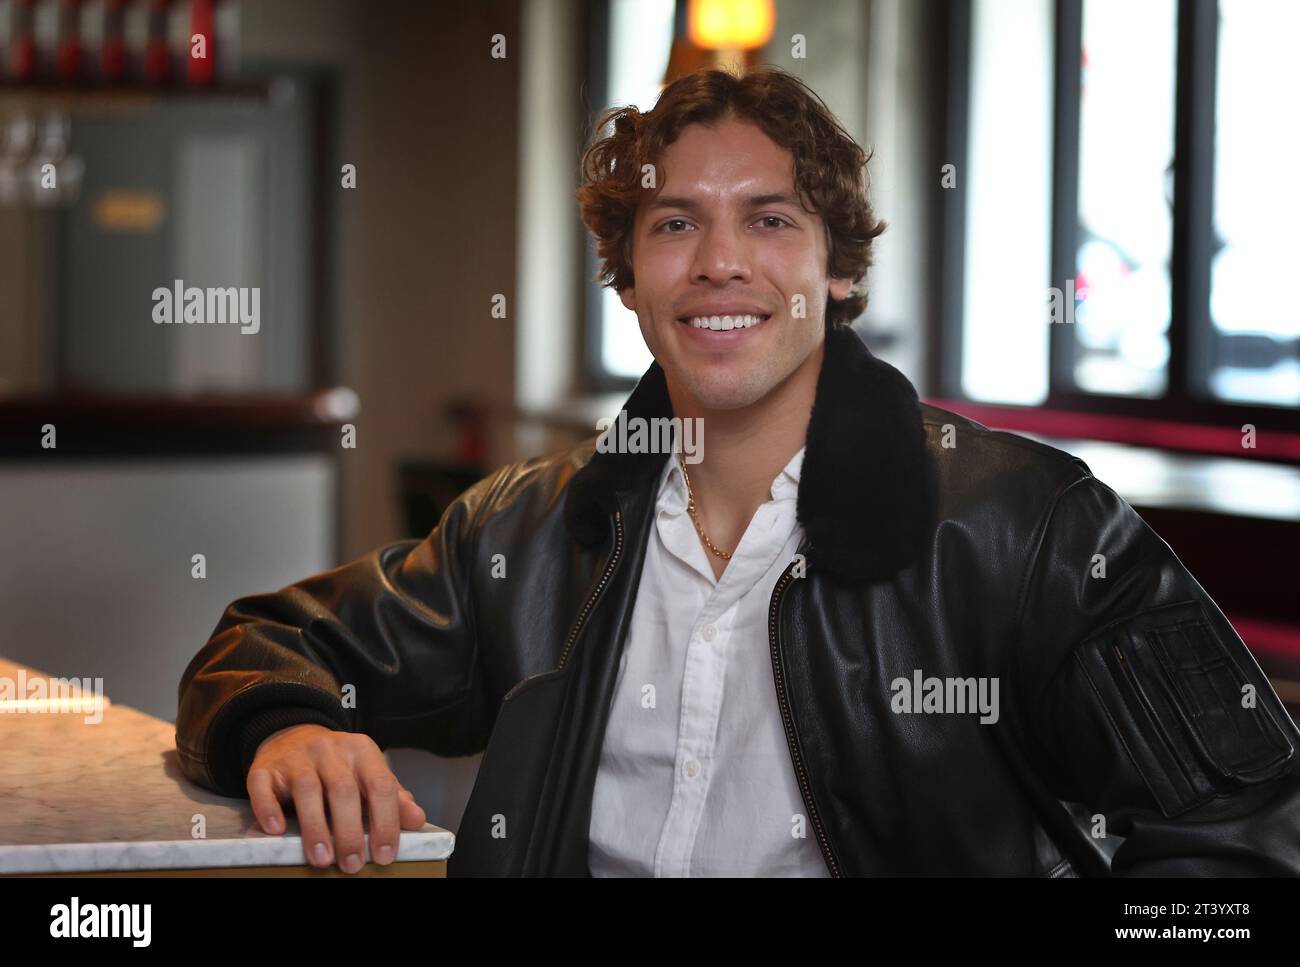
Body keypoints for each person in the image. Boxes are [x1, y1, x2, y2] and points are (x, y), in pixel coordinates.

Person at [176, 66, 1300, 876]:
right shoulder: (530, 527)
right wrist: (291, 724)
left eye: (768, 219)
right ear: (628, 280)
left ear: (838, 270)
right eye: (674, 225)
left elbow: (1249, 830)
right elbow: (262, 641)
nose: (719, 261)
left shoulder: (1027, 525)